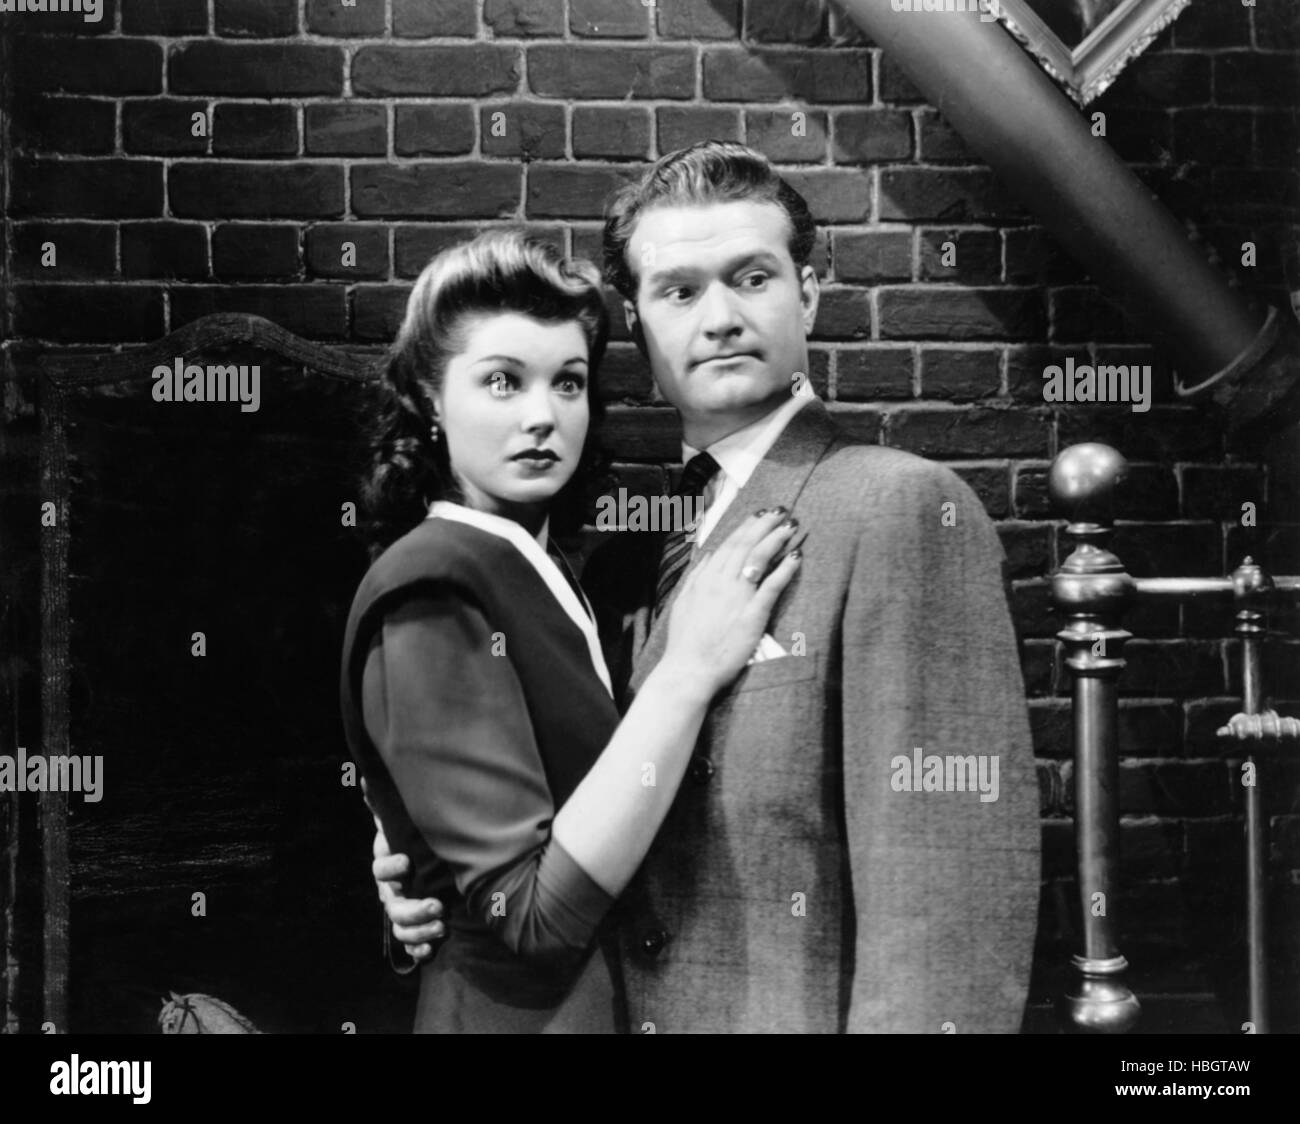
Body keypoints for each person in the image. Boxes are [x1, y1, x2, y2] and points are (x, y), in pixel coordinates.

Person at [371, 143, 1043, 1033]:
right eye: (680, 291)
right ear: (639, 324)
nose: (720, 317)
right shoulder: (613, 558)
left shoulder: (901, 511)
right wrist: (426, 874)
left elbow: (942, 923)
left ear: (808, 293)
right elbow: (546, 839)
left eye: (753, 278)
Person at [339, 229, 802, 1033]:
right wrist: (686, 673)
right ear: (430, 399)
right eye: (502, 382)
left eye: (569, 384)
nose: (542, 417)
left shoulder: (544, 573)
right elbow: (531, 923)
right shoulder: (432, 587)